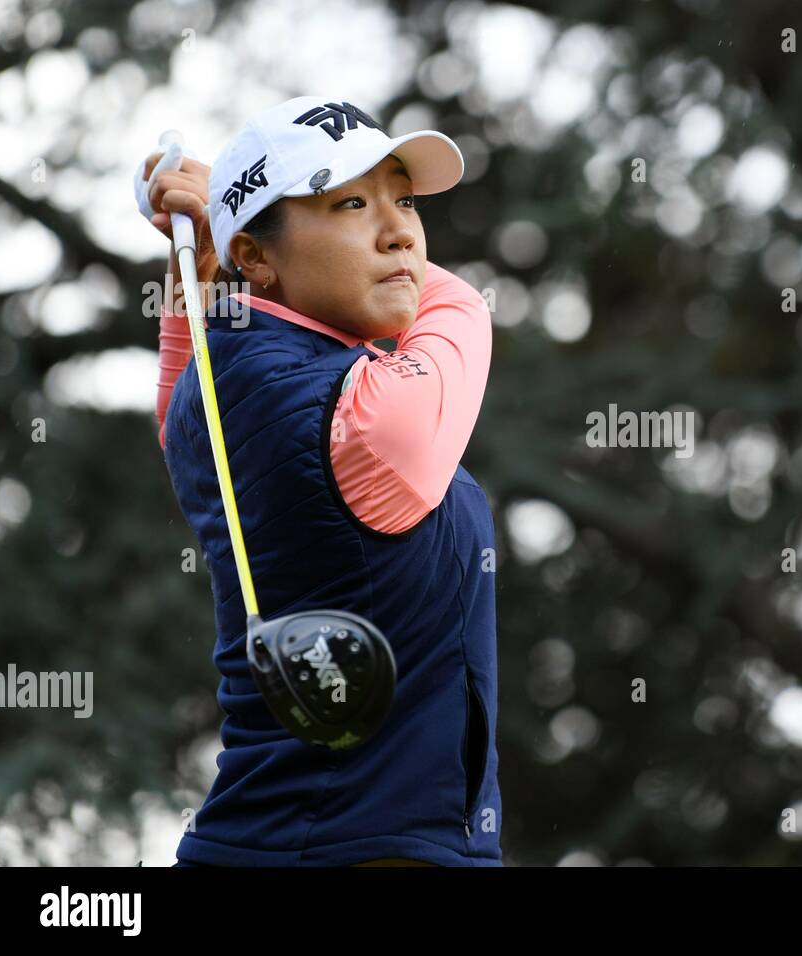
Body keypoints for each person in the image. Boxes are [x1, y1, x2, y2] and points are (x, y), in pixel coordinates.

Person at [137, 96, 500, 866]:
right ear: (260, 260)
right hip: (358, 849)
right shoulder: (374, 417)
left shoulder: (227, 381)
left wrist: (201, 257)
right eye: (350, 202)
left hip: (269, 842)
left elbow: (182, 393)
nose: (400, 229)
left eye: (402, 199)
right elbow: (464, 305)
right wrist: (226, 233)